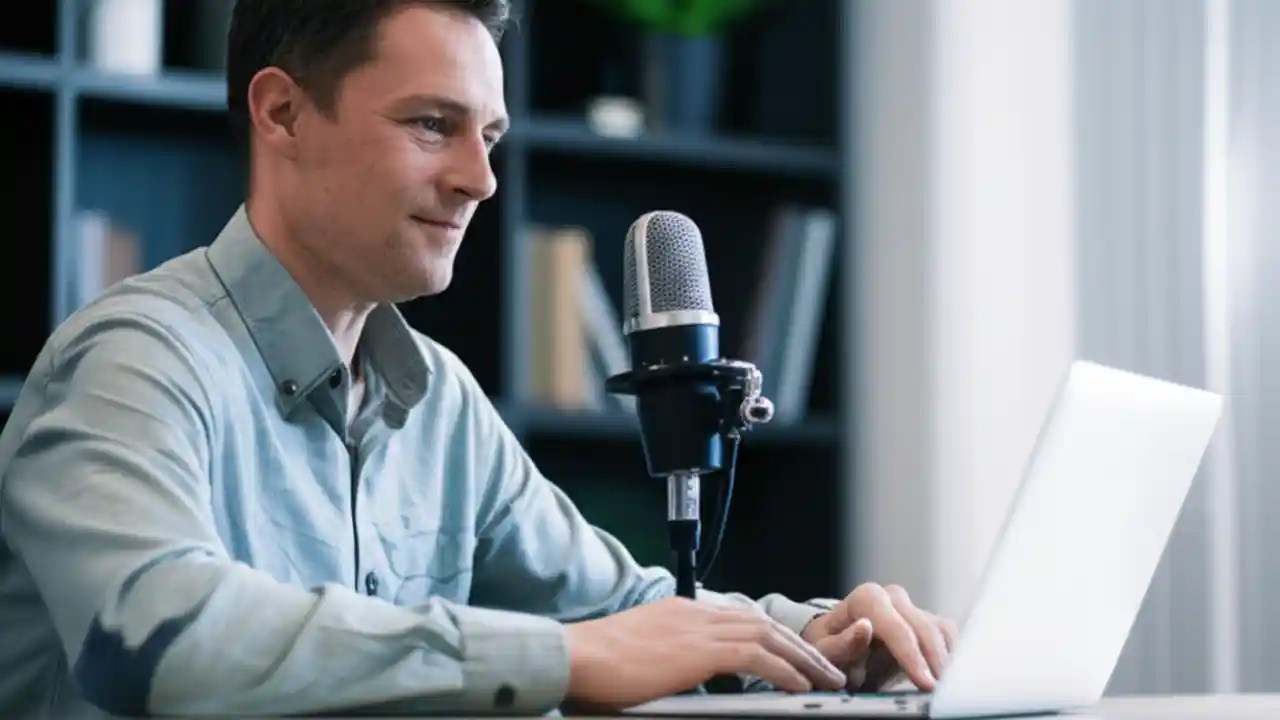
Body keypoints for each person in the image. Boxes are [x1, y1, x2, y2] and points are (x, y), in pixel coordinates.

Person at [0, 1, 957, 717]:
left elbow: (624, 609)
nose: (481, 178)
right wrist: (563, 659)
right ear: (283, 113)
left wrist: (824, 638)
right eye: (432, 125)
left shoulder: (440, 402)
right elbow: (161, 634)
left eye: (490, 135)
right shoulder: (132, 362)